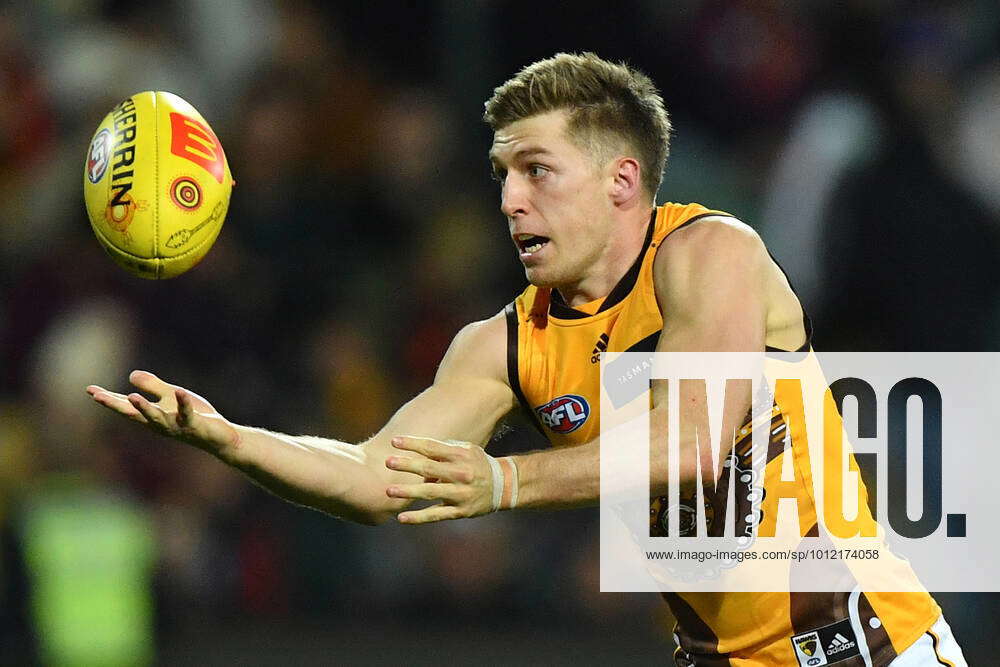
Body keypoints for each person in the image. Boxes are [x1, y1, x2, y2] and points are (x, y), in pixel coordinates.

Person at [88, 53, 965, 666]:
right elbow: (373, 478)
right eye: (502, 174)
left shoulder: (710, 252)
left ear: (621, 181)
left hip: (870, 650)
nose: (509, 199)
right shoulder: (504, 343)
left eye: (537, 170)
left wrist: (503, 481)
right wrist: (232, 439)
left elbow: (693, 441)